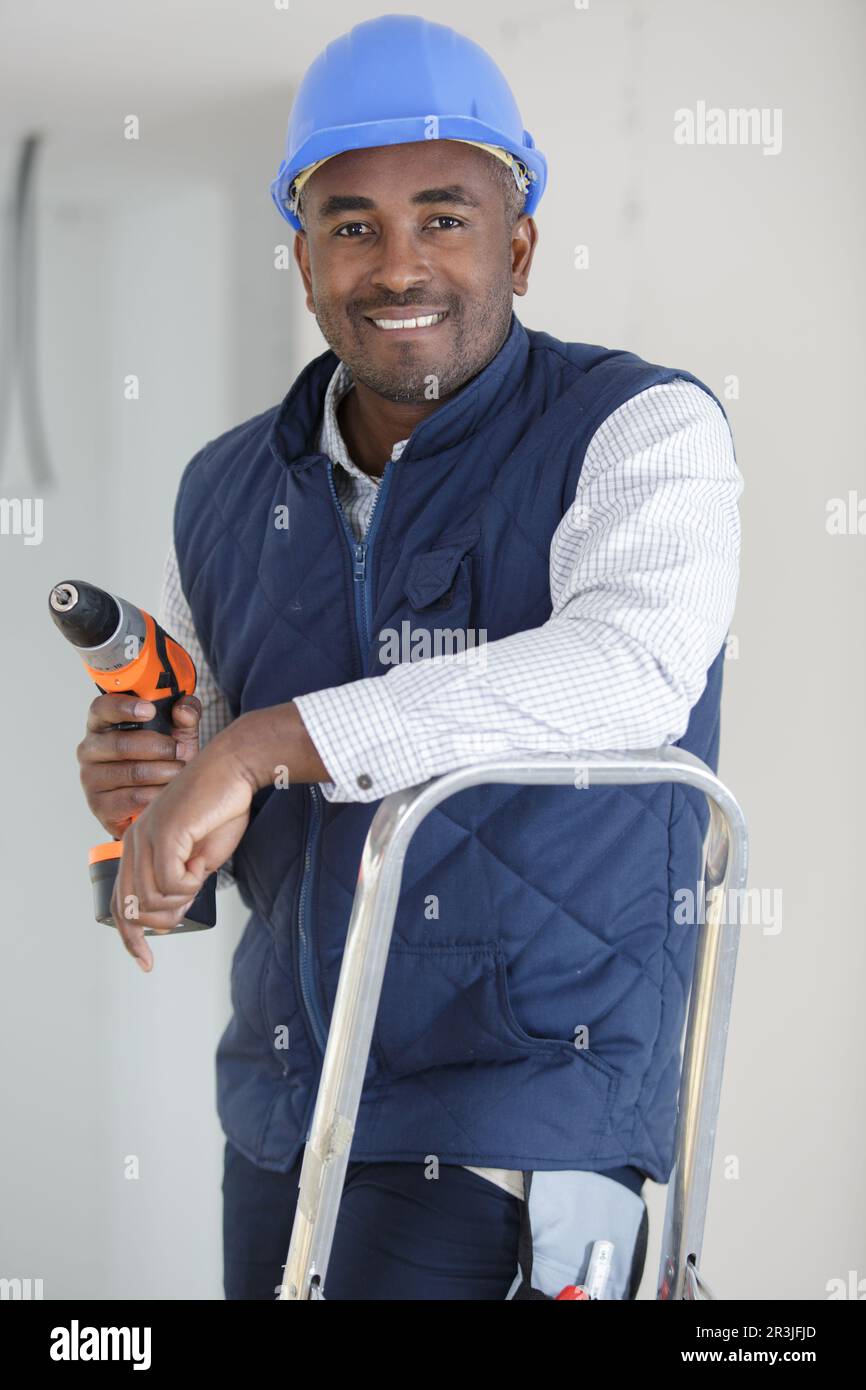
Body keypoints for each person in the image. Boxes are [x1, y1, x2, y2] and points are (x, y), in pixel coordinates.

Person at [76, 14, 742, 1300]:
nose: (396, 266)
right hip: (284, 1116)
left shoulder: (639, 428)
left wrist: (265, 741)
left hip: (520, 1117)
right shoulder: (223, 487)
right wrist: (153, 778)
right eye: (349, 224)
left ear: (521, 244)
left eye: (443, 216)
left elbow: (627, 673)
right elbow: (202, 752)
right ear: (301, 256)